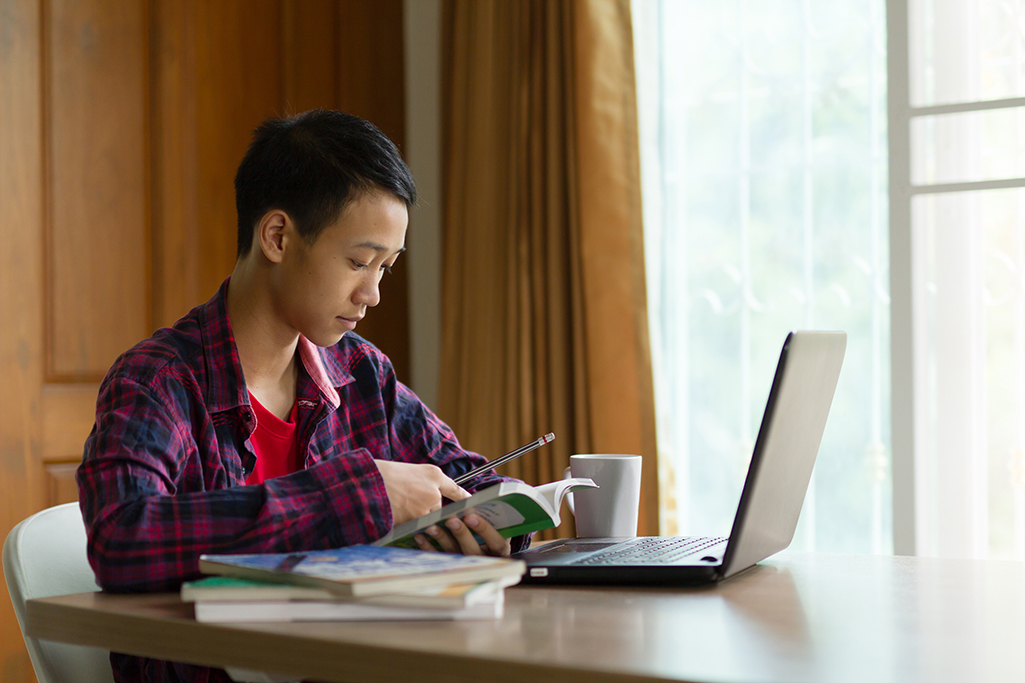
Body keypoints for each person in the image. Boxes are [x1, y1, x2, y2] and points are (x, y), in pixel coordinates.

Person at [77, 109, 530, 683]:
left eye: (386, 267)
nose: (372, 294)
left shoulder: (360, 372)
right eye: (359, 262)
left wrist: (504, 510)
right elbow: (124, 538)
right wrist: (355, 495)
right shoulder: (159, 381)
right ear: (278, 237)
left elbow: (467, 478)